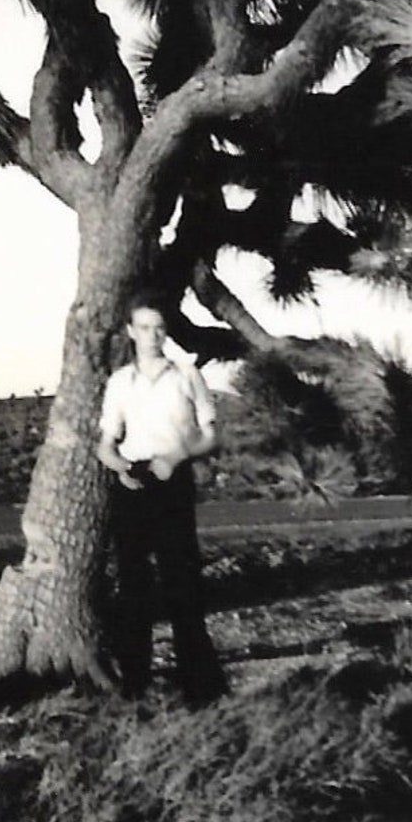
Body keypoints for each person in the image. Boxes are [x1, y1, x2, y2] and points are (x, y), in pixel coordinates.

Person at [97, 292, 227, 706]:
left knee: (182, 582)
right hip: (133, 482)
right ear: (131, 332)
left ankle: (201, 689)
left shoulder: (187, 375)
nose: (153, 335)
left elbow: (211, 434)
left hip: (173, 478)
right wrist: (120, 469)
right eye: (145, 328)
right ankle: (134, 684)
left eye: (159, 327)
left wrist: (177, 456)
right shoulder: (120, 382)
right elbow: (105, 444)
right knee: (133, 584)